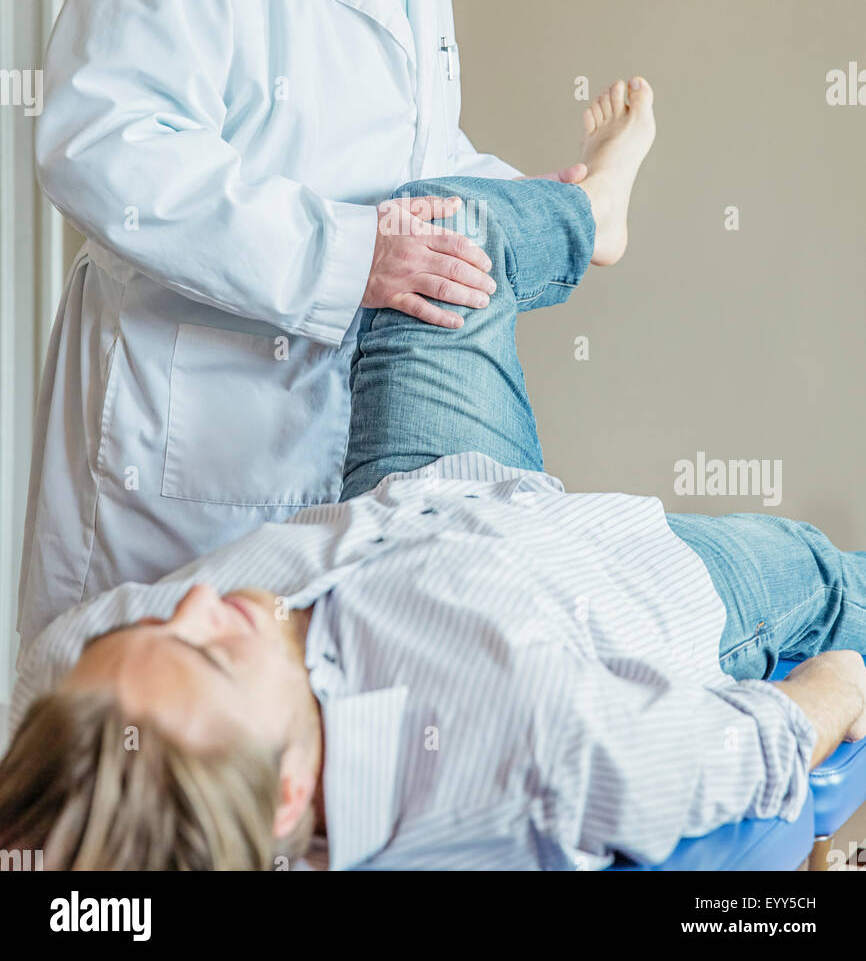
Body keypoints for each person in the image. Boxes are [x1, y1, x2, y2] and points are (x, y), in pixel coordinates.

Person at [3, 78, 865, 871]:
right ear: (290, 799)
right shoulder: (539, 750)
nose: (186, 605)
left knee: (428, 233)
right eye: (213, 657)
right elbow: (758, 751)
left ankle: (591, 214)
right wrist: (843, 681)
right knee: (833, 581)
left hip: (426, 488)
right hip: (643, 578)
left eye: (143, 634)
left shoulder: (74, 677)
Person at [18, 0, 591, 648]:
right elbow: (100, 148)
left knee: (296, 739)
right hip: (186, 430)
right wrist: (345, 255)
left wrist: (520, 194)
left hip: (328, 412)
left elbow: (393, 137)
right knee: (141, 735)